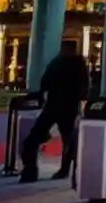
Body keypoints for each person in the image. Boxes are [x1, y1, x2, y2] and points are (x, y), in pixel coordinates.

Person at [19, 46, 90, 183]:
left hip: (53, 105)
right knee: (69, 141)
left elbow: (44, 83)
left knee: (32, 139)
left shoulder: (56, 63)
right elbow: (84, 90)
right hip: (69, 107)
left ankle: (30, 171)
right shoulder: (79, 64)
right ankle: (66, 171)